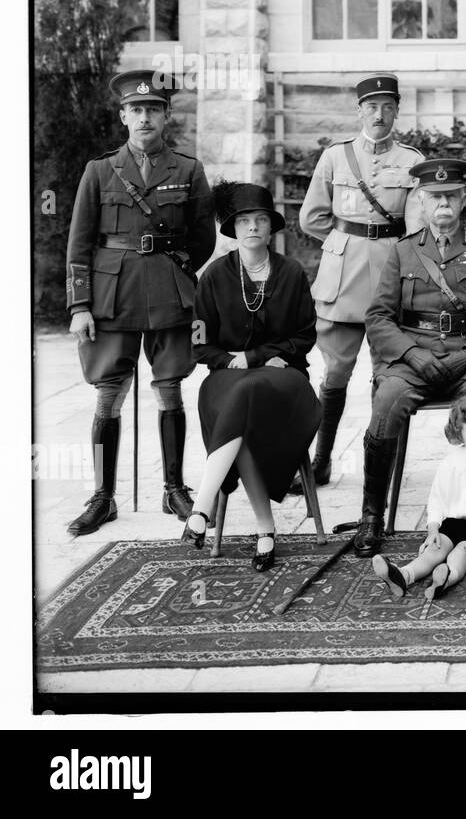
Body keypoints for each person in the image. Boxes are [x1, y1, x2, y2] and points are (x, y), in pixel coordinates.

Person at [65, 69, 216, 535]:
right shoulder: (99, 170)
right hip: (111, 293)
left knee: (169, 384)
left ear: (166, 116)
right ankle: (103, 496)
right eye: (137, 110)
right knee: (109, 390)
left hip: (168, 291)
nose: (145, 117)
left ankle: (174, 489)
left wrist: (177, 270)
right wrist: (79, 307)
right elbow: (79, 243)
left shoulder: (188, 169)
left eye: (154, 109)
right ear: (123, 116)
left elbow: (203, 237)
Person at [355, 158, 466, 558]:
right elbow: (377, 318)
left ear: (464, 198)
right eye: (435, 197)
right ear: (421, 202)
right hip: (415, 360)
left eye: (451, 195)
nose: (443, 204)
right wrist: (411, 355)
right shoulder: (403, 252)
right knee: (387, 400)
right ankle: (371, 515)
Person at [294, 73, 423, 493]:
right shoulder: (336, 157)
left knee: (387, 374)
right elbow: (311, 217)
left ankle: (378, 466)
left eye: (388, 107)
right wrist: (341, 243)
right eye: (372, 107)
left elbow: (417, 222)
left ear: (397, 110)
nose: (380, 115)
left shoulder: (411, 160)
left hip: (390, 272)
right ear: (360, 111)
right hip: (344, 275)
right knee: (334, 373)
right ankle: (322, 460)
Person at [181, 183, 321, 571]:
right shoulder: (213, 276)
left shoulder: (291, 273)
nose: (253, 227)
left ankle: (201, 510)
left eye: (260, 219)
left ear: (270, 227)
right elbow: (199, 345)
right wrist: (233, 361)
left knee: (249, 395)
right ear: (234, 228)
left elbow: (305, 335)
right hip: (226, 376)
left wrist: (258, 357)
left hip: (284, 378)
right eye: (244, 221)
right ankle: (265, 529)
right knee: (241, 400)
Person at [371, 392, 466, 600]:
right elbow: (437, 498)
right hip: (453, 522)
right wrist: (433, 528)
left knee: (463, 551)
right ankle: (403, 575)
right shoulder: (451, 461)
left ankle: (446, 577)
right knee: (433, 550)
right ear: (459, 432)